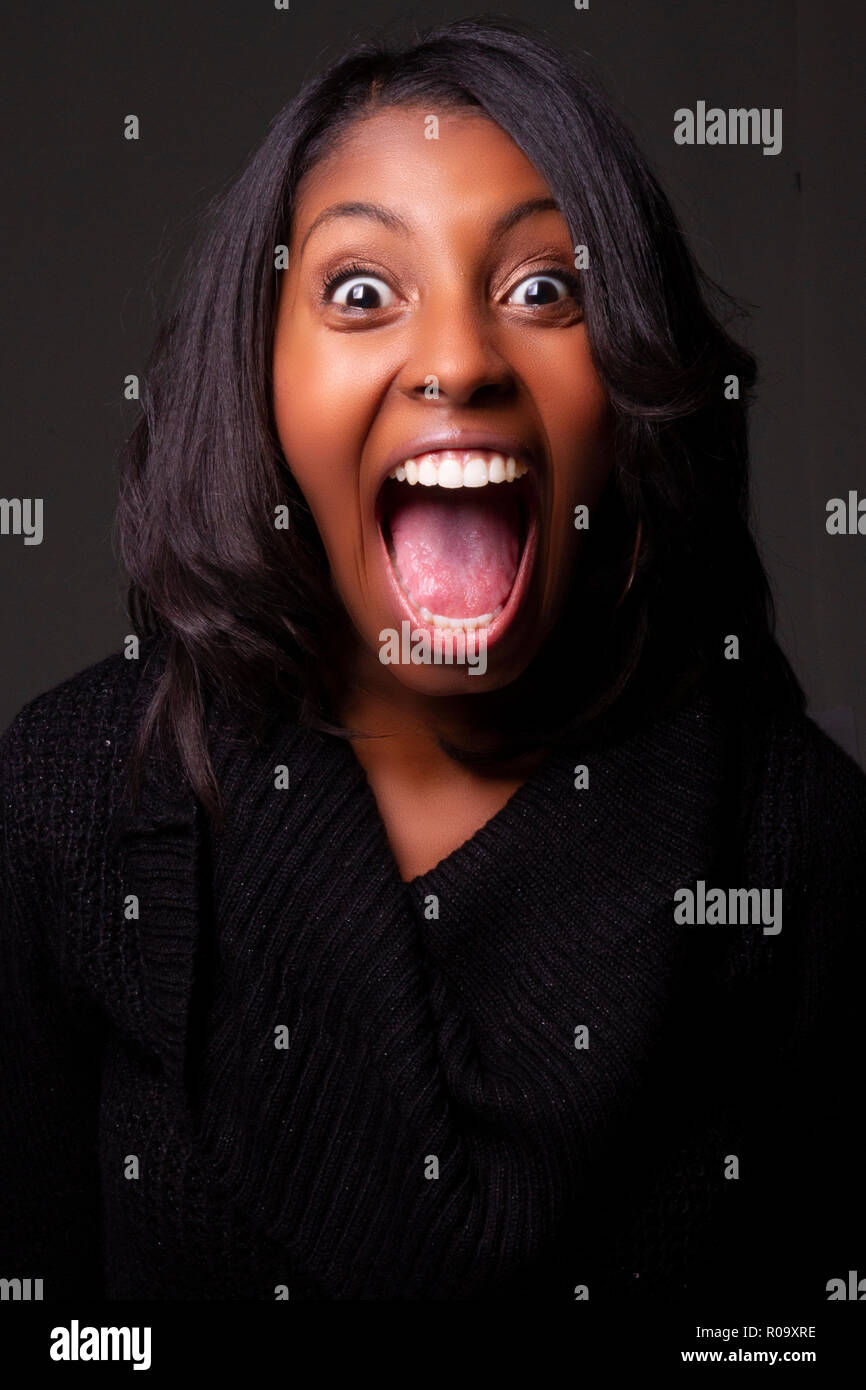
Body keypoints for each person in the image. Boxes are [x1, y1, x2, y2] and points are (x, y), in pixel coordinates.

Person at [1, 18, 863, 1303]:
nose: (460, 362)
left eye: (540, 291)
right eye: (359, 291)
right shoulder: (71, 804)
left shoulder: (795, 839)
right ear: (260, 377)